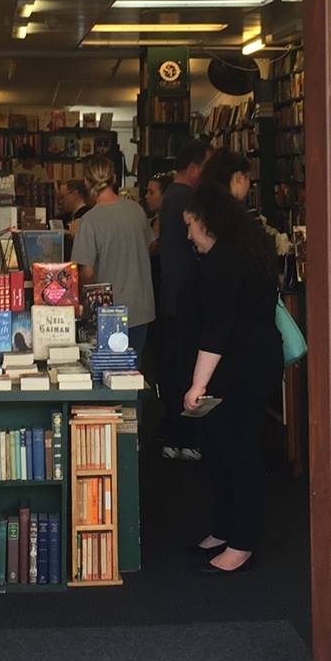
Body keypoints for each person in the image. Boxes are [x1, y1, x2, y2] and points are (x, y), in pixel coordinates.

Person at [181, 187, 283, 576]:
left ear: (207, 221)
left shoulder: (225, 261)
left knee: (238, 454)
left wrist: (197, 384)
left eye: (190, 226)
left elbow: (218, 328)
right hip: (250, 365)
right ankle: (225, 529)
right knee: (222, 449)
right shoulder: (249, 250)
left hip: (240, 371)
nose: (189, 236)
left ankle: (242, 543)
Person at [153, 137, 209, 459]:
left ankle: (173, 433)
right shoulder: (189, 199)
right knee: (187, 370)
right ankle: (187, 437)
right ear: (193, 168)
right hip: (187, 299)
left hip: (170, 297)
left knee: (172, 368)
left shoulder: (169, 198)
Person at [70, 158, 155, 352]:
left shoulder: (90, 220)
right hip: (142, 306)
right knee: (135, 371)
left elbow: (87, 273)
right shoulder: (137, 210)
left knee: (111, 371)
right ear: (114, 178)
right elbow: (150, 246)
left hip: (110, 310)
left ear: (86, 182)